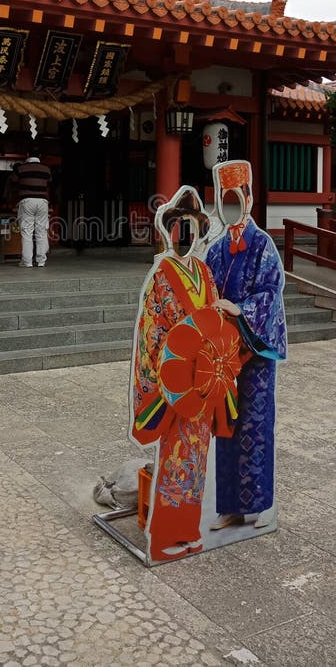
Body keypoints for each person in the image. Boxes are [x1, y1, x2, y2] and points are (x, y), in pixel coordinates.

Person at [129, 186, 250, 562]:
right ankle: (167, 533)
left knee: (196, 461)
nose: (186, 234)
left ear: (199, 231)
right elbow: (154, 330)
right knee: (175, 458)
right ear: (169, 230)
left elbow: (212, 319)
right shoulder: (161, 273)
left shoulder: (204, 271)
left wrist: (221, 331)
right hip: (177, 382)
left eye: (192, 228)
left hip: (204, 383)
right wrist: (172, 369)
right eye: (180, 226)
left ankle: (188, 530)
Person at [205, 160, 287, 531]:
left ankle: (260, 506)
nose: (232, 205)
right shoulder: (216, 249)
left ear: (249, 198)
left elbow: (271, 292)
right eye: (226, 199)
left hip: (254, 352)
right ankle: (229, 507)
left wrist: (241, 309)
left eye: (237, 197)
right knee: (226, 426)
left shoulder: (263, 245)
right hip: (223, 355)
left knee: (255, 425)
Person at [15, 146, 51, 268]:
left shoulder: (21, 168)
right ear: (39, 155)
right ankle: (41, 261)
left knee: (27, 232)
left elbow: (15, 181)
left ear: (27, 154)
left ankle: (27, 261)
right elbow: (49, 182)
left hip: (27, 200)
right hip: (42, 201)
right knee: (41, 231)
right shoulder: (46, 169)